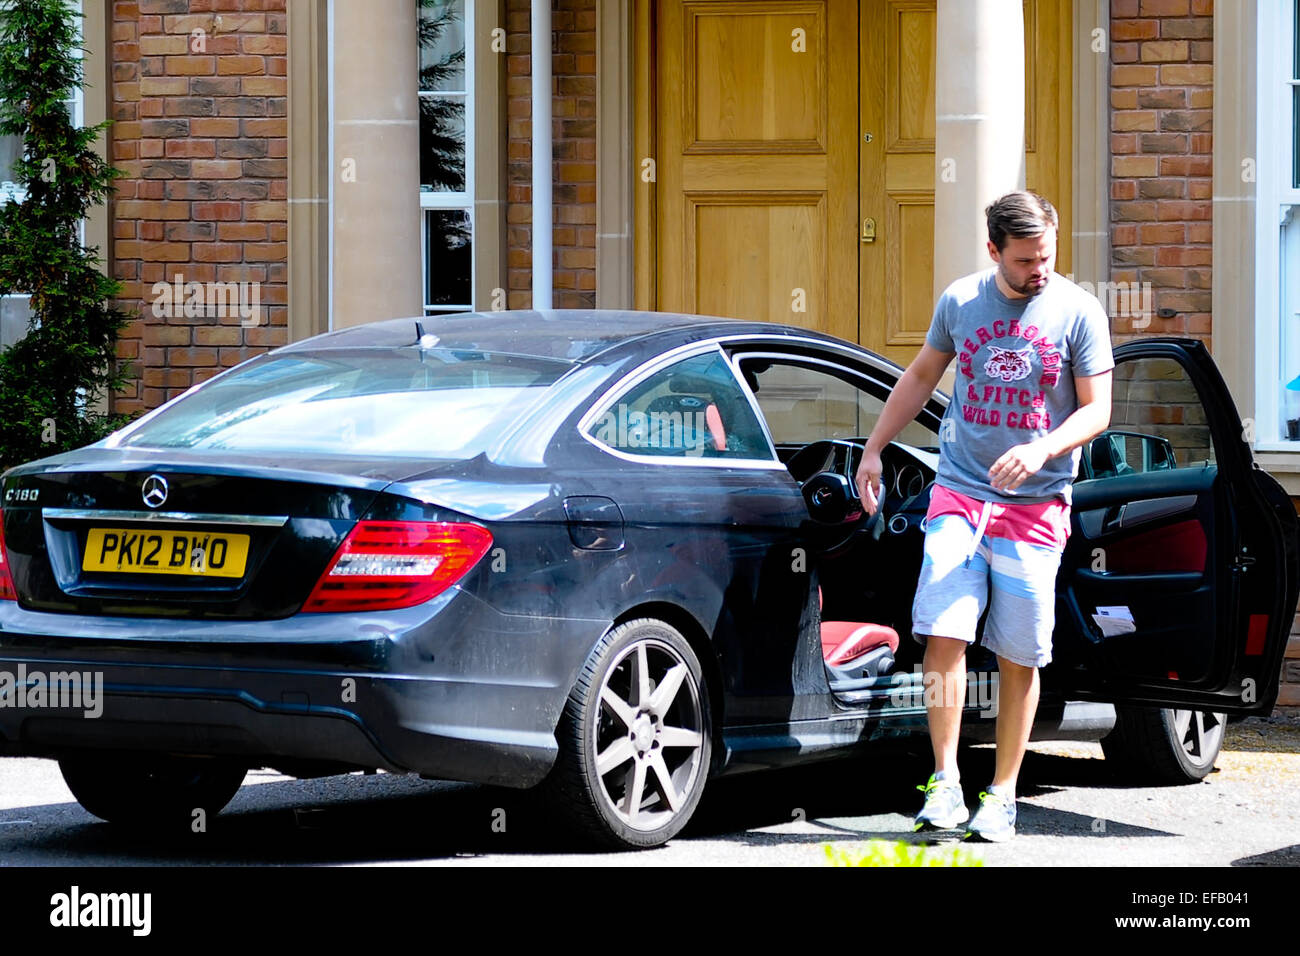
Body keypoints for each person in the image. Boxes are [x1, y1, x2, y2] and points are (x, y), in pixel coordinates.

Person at [855, 190, 1114, 842]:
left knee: (1018, 653)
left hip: (1036, 506)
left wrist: (1043, 448)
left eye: (1047, 257)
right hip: (961, 492)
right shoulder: (962, 302)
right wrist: (875, 448)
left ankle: (1001, 793)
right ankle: (944, 783)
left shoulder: (1078, 312)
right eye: (1026, 260)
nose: (1040, 270)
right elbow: (921, 375)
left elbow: (1097, 410)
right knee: (944, 633)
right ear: (994, 250)